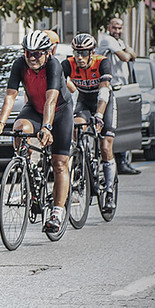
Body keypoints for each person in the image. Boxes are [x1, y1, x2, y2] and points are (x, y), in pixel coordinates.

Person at [0, 30, 74, 232]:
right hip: (34, 108)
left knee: (59, 163)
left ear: (47, 53)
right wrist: (1, 124)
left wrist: (46, 127)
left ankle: (56, 213)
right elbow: (10, 96)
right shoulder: (19, 64)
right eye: (28, 53)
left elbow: (51, 100)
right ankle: (29, 171)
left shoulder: (54, 65)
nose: (32, 58)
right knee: (19, 129)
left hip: (60, 112)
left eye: (37, 53)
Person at [61, 33, 117, 211]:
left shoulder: (102, 62)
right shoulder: (68, 63)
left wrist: (99, 115)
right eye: (76, 52)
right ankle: (81, 162)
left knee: (106, 146)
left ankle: (109, 192)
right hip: (84, 100)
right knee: (77, 128)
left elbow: (104, 91)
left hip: (104, 102)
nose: (79, 57)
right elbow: (58, 85)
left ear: (91, 53)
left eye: (83, 53)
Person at [97, 17, 141, 175]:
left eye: (120, 28)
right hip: (108, 89)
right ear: (109, 27)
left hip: (121, 89)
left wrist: (128, 52)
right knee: (111, 127)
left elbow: (133, 55)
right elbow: (125, 57)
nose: (117, 31)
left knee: (122, 126)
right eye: (114, 27)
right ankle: (111, 161)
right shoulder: (108, 40)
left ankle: (122, 161)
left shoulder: (119, 42)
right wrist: (128, 52)